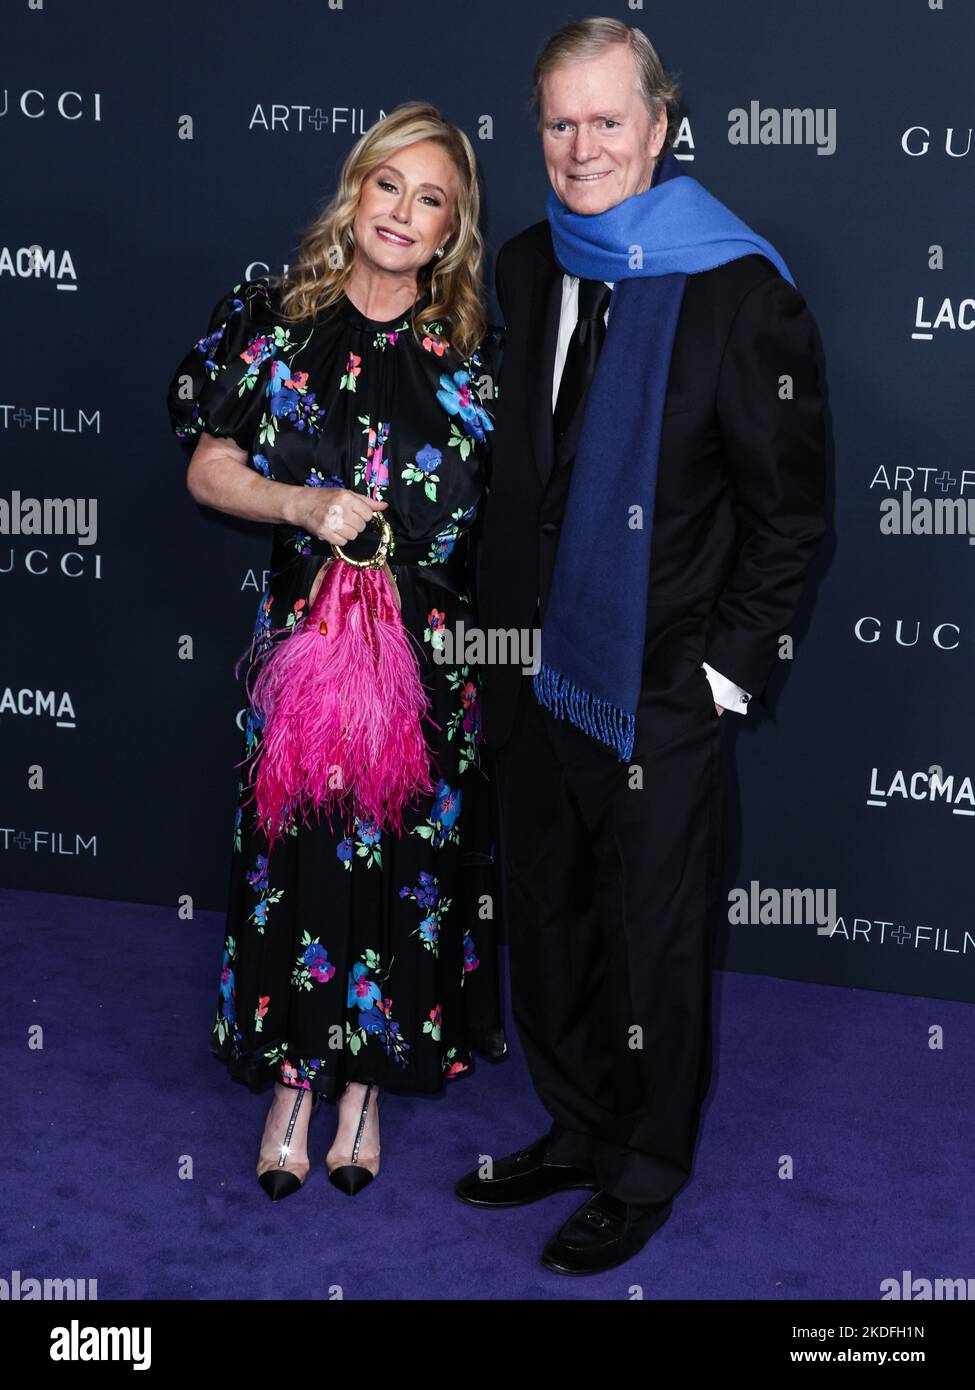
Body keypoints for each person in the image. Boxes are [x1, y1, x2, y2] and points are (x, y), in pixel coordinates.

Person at [456, 18, 828, 1274]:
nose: (581, 147)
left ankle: (646, 1165)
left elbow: (791, 516)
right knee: (552, 922)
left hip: (660, 687)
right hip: (529, 668)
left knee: (651, 942)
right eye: (558, 122)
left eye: (607, 121)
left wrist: (723, 677)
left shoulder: (741, 290)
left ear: (662, 127)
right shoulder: (519, 266)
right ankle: (576, 1125)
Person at [166, 102, 506, 1203]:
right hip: (304, 657)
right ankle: (293, 1084)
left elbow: (522, 512)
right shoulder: (272, 319)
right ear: (355, 192)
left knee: (407, 862)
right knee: (298, 859)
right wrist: (300, 502)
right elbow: (208, 466)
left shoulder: (476, 358)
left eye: (432, 199)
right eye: (389, 186)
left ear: (453, 230)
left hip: (427, 667)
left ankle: (364, 1086)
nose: (404, 213)